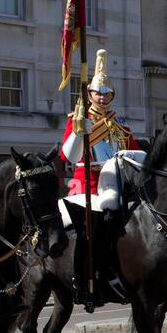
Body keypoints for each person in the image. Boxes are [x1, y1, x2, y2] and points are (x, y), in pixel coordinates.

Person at [61, 49, 140, 306]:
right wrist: (79, 129)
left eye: (107, 93)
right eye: (98, 93)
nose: (103, 97)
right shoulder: (78, 120)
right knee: (90, 226)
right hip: (88, 186)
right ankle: (84, 278)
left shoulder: (121, 127)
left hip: (117, 184)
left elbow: (138, 154)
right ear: (89, 94)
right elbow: (68, 156)